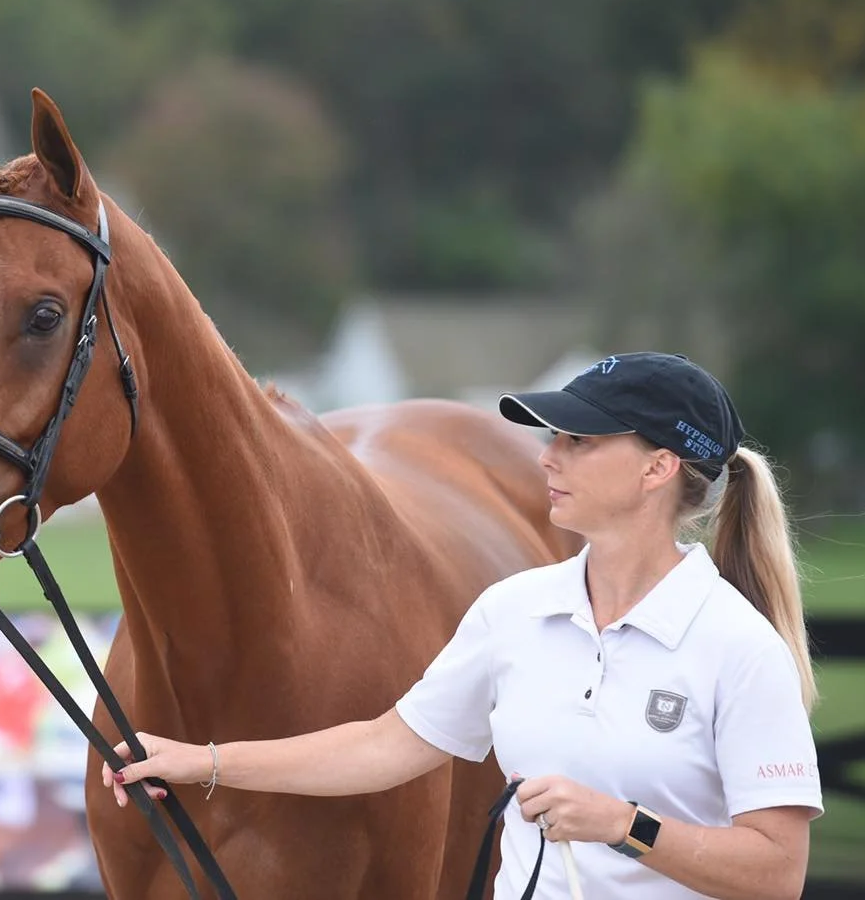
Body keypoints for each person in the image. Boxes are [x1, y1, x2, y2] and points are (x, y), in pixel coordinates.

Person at [103, 352, 822, 900]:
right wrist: (206, 761)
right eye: (554, 438)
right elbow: (383, 746)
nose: (547, 456)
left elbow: (777, 871)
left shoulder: (741, 647)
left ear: (658, 468)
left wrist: (622, 826)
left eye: (581, 442)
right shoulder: (513, 611)